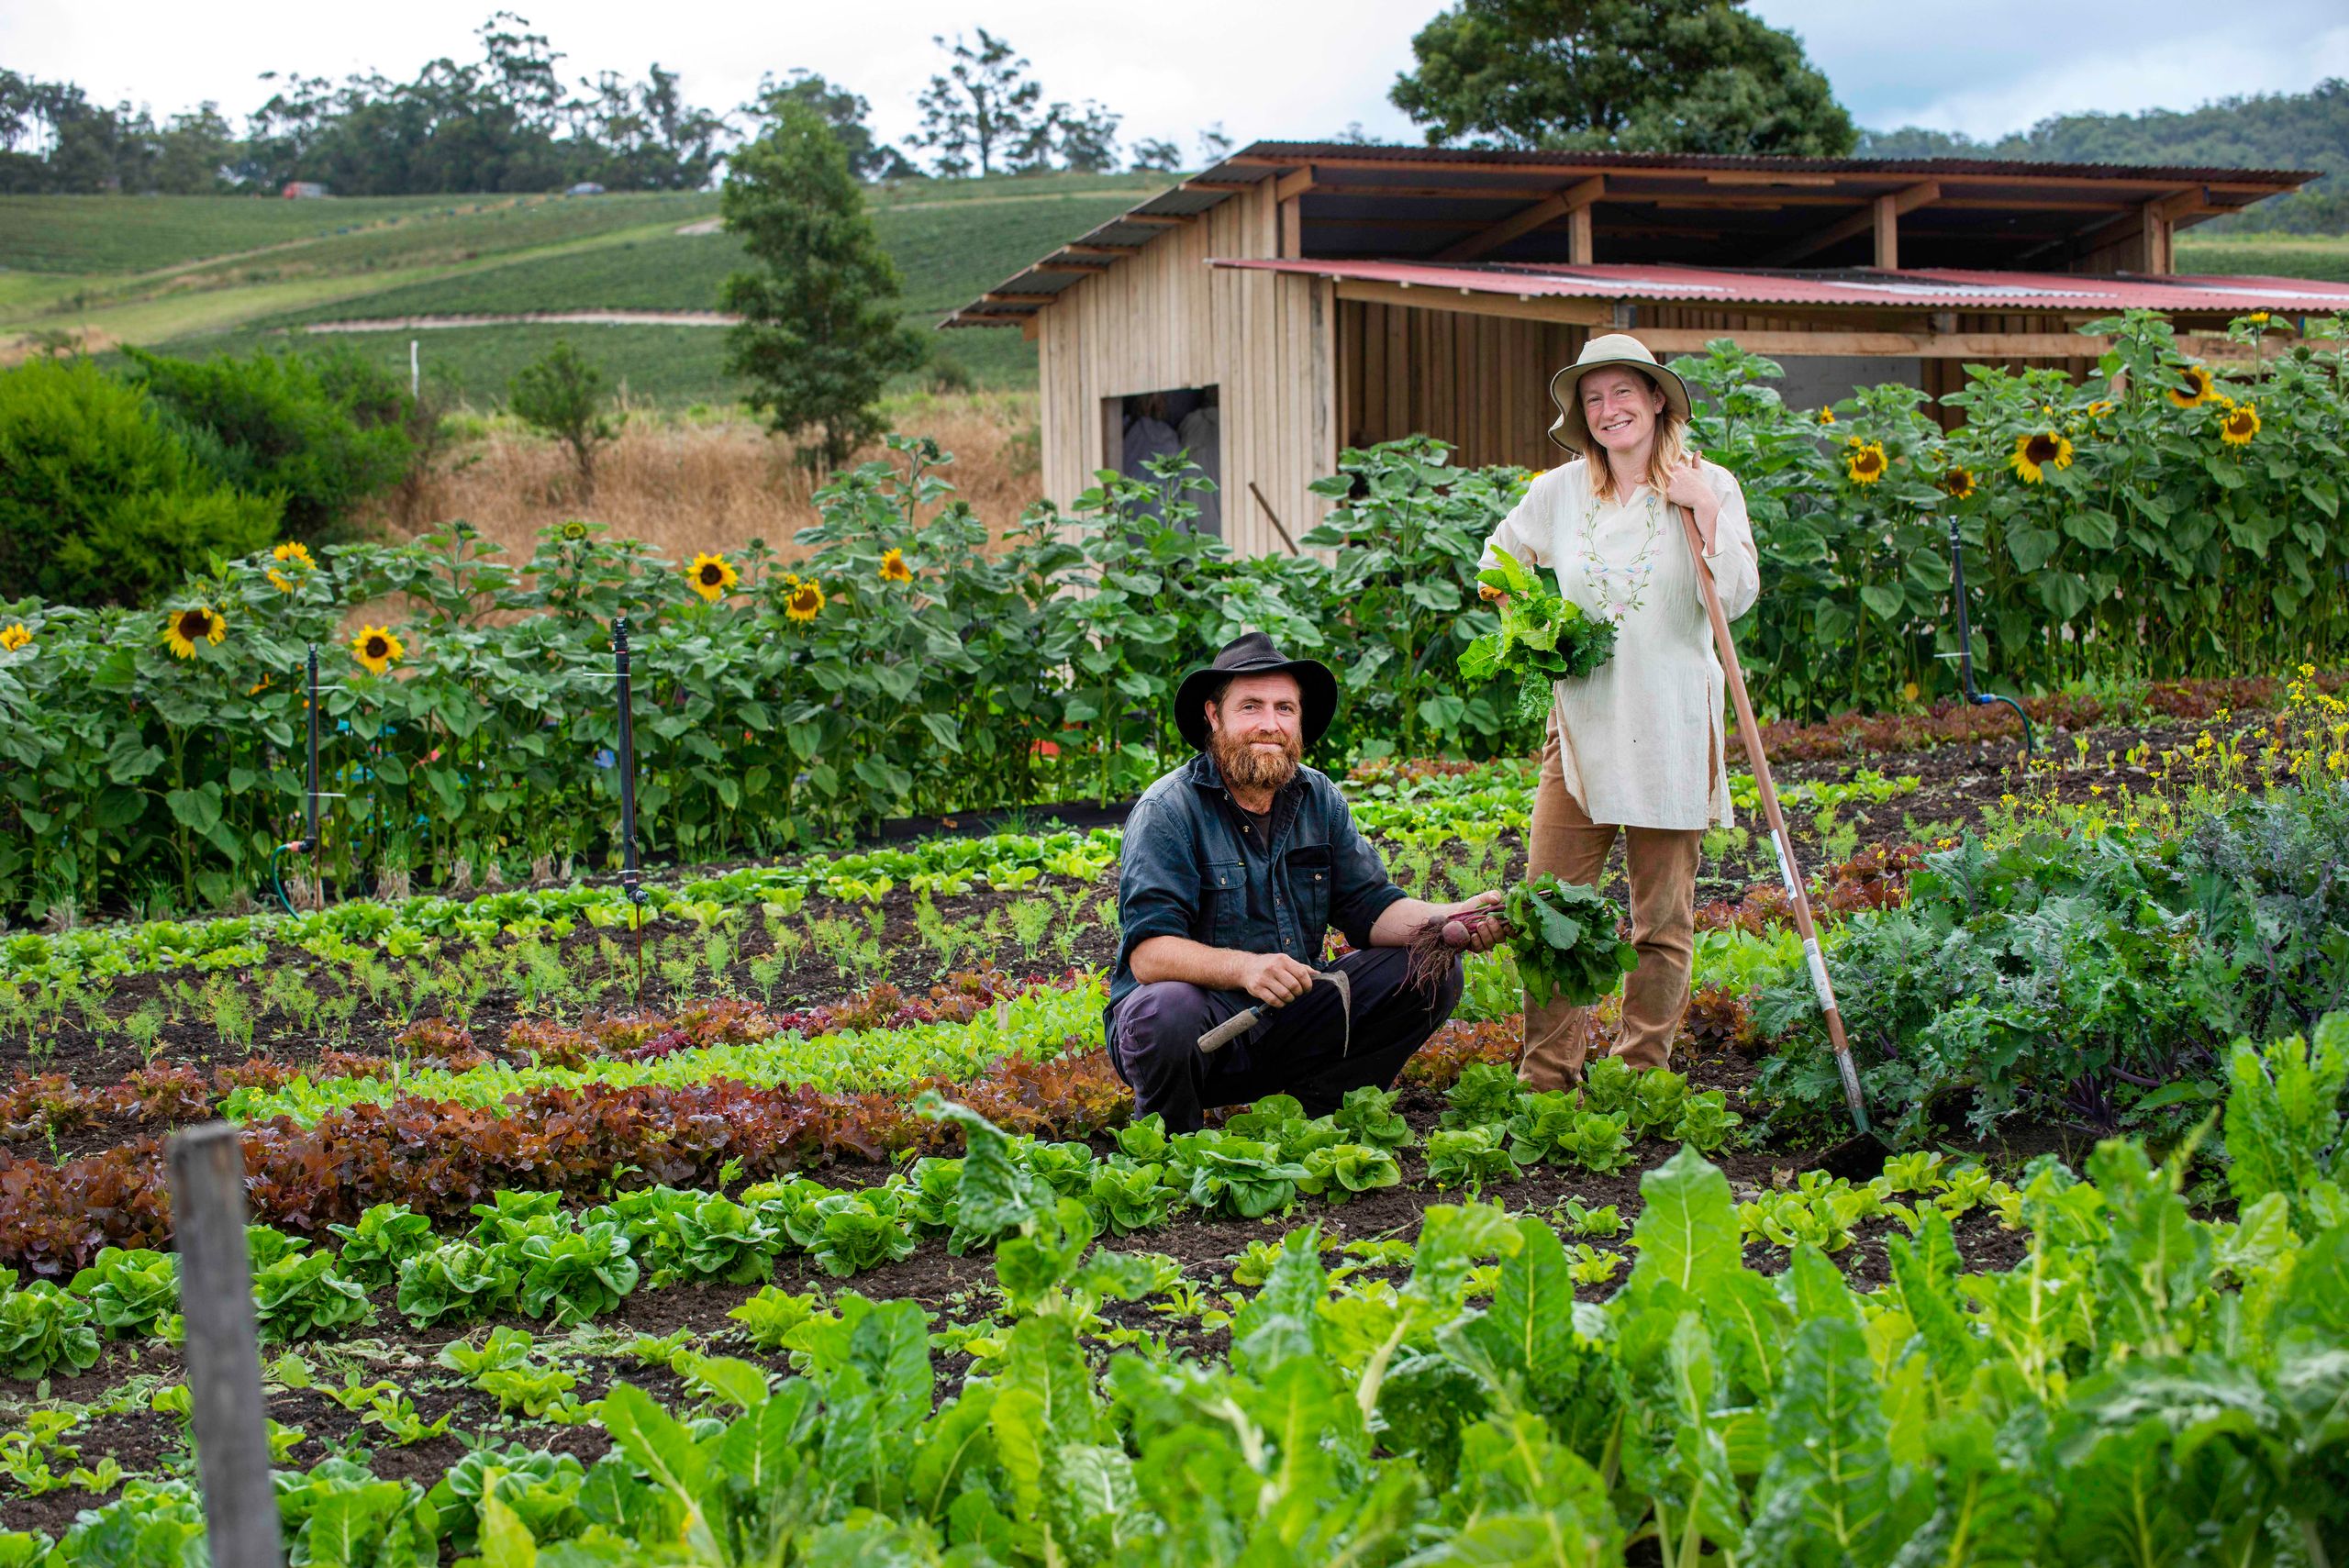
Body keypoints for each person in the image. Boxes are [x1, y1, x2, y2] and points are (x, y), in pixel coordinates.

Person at [1477, 334, 1760, 1088]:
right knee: (1551, 907)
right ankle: (1547, 1076)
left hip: (1672, 723)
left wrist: (1703, 508)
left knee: (1660, 918)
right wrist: (1533, 624)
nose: (1609, 410)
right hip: (1581, 725)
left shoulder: (1710, 482)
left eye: (1623, 392)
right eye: (1593, 398)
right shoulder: (1560, 491)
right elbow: (1498, 559)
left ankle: (1639, 1070)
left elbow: (1735, 597)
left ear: (1657, 398)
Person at [1107, 632, 1508, 1132]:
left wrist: (1450, 918)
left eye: (1285, 708)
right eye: (1250, 707)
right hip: (1203, 1037)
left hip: (1294, 1017)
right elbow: (1149, 954)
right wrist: (1246, 968)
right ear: (1214, 716)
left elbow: (1371, 906)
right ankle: (1171, 1137)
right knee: (1166, 1009)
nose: (1269, 724)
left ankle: (1320, 1113)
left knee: (1431, 967)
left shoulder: (1318, 797)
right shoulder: (1169, 810)